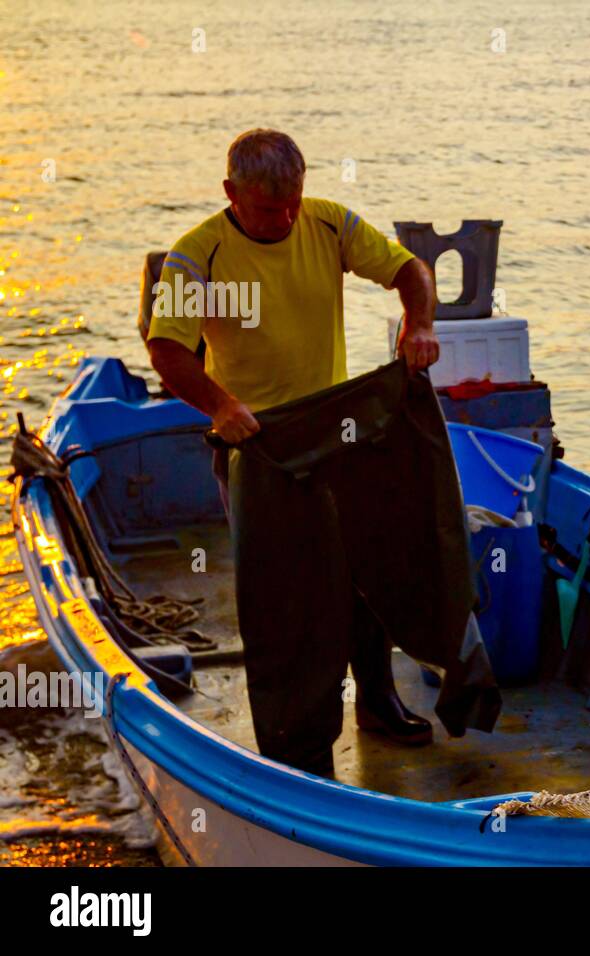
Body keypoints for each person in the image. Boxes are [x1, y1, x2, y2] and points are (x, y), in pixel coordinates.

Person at [147, 128, 441, 770]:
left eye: (292, 204)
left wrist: (418, 323)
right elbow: (166, 349)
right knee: (288, 593)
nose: (283, 220)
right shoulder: (195, 257)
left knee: (363, 571)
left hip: (334, 432)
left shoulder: (328, 224)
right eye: (265, 209)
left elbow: (408, 269)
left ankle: (378, 700)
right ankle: (299, 740)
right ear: (230, 193)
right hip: (256, 446)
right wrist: (222, 406)